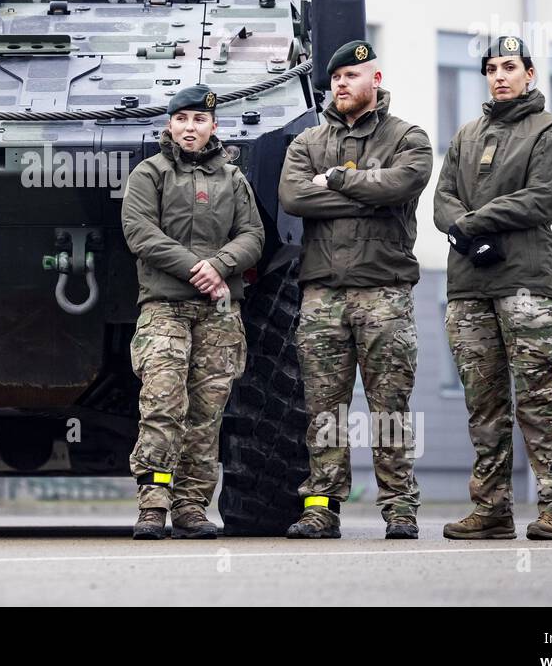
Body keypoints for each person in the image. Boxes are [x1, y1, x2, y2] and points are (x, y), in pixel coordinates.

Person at [279, 39, 432, 539]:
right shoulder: (307, 143)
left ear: (375, 80)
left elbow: (400, 186)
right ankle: (321, 507)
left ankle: (399, 508)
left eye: (351, 76)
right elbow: (294, 197)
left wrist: (338, 180)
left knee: (390, 406)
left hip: (383, 292)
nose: (341, 85)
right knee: (325, 408)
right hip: (322, 294)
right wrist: (367, 194)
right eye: (336, 78)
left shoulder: (408, 137)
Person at [435, 35, 552, 540]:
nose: (499, 75)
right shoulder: (467, 134)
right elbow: (442, 200)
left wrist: (472, 222)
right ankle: (492, 510)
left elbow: (542, 200)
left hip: (527, 284)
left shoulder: (551, 132)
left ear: (530, 74)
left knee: (537, 399)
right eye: (491, 67)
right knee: (484, 403)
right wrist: (466, 223)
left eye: (510, 66)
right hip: (469, 285)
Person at [120, 84, 265, 539]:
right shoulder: (150, 173)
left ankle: (190, 506)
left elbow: (253, 235)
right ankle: (153, 505)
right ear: (169, 124)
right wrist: (195, 269)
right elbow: (138, 230)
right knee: (162, 404)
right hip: (164, 308)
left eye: (199, 120)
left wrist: (220, 266)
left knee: (207, 413)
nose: (190, 127)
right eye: (181, 119)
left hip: (219, 311)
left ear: (213, 126)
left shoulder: (234, 179)